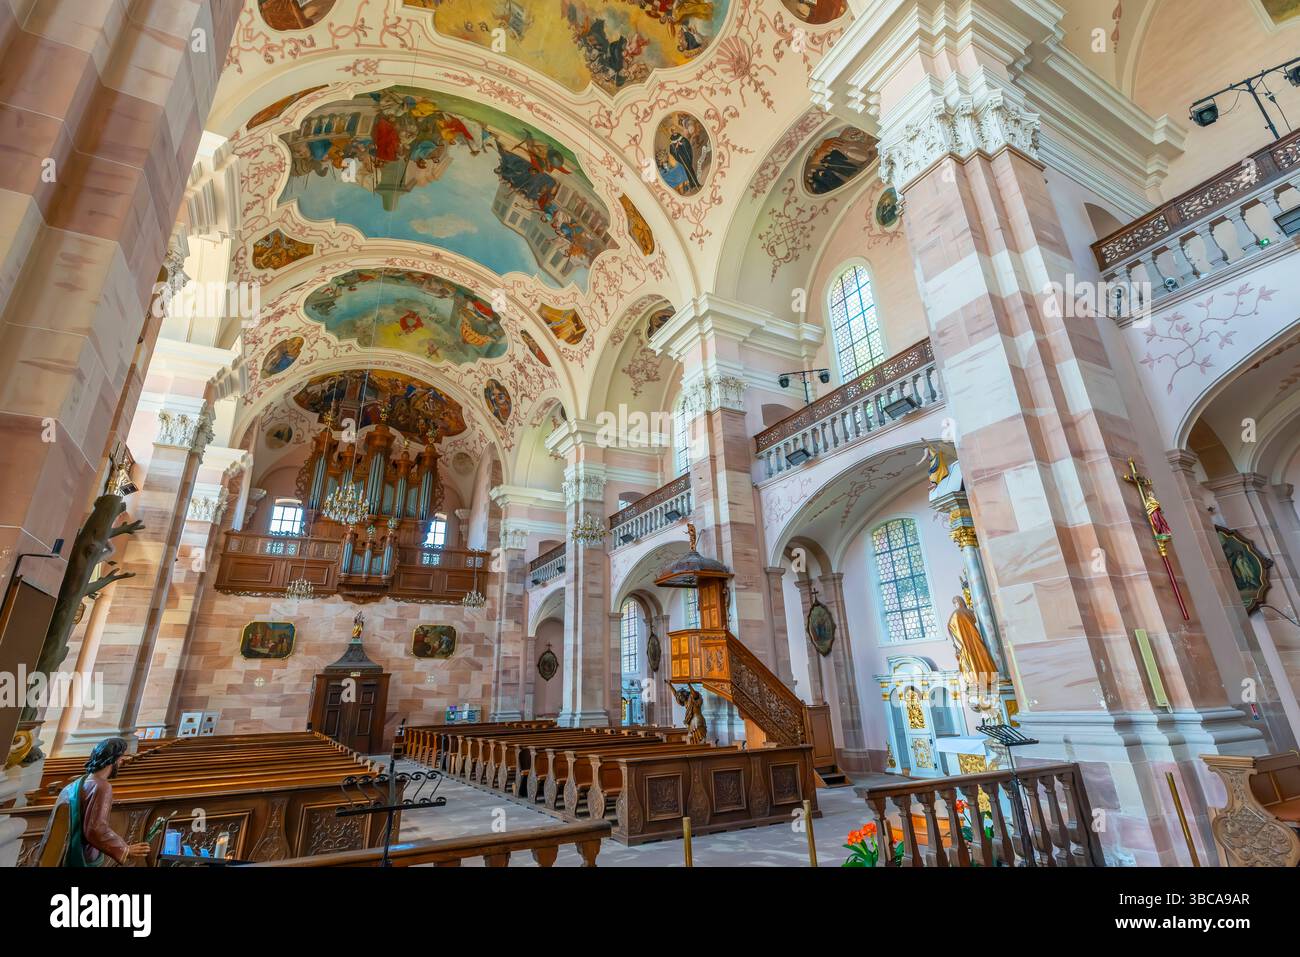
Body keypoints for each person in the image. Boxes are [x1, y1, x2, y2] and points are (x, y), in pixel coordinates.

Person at [34, 737, 152, 867]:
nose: (122, 761)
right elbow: (95, 829)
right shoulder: (102, 787)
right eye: (120, 757)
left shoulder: (77, 784)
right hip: (82, 856)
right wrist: (125, 849)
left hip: (65, 851)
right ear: (112, 759)